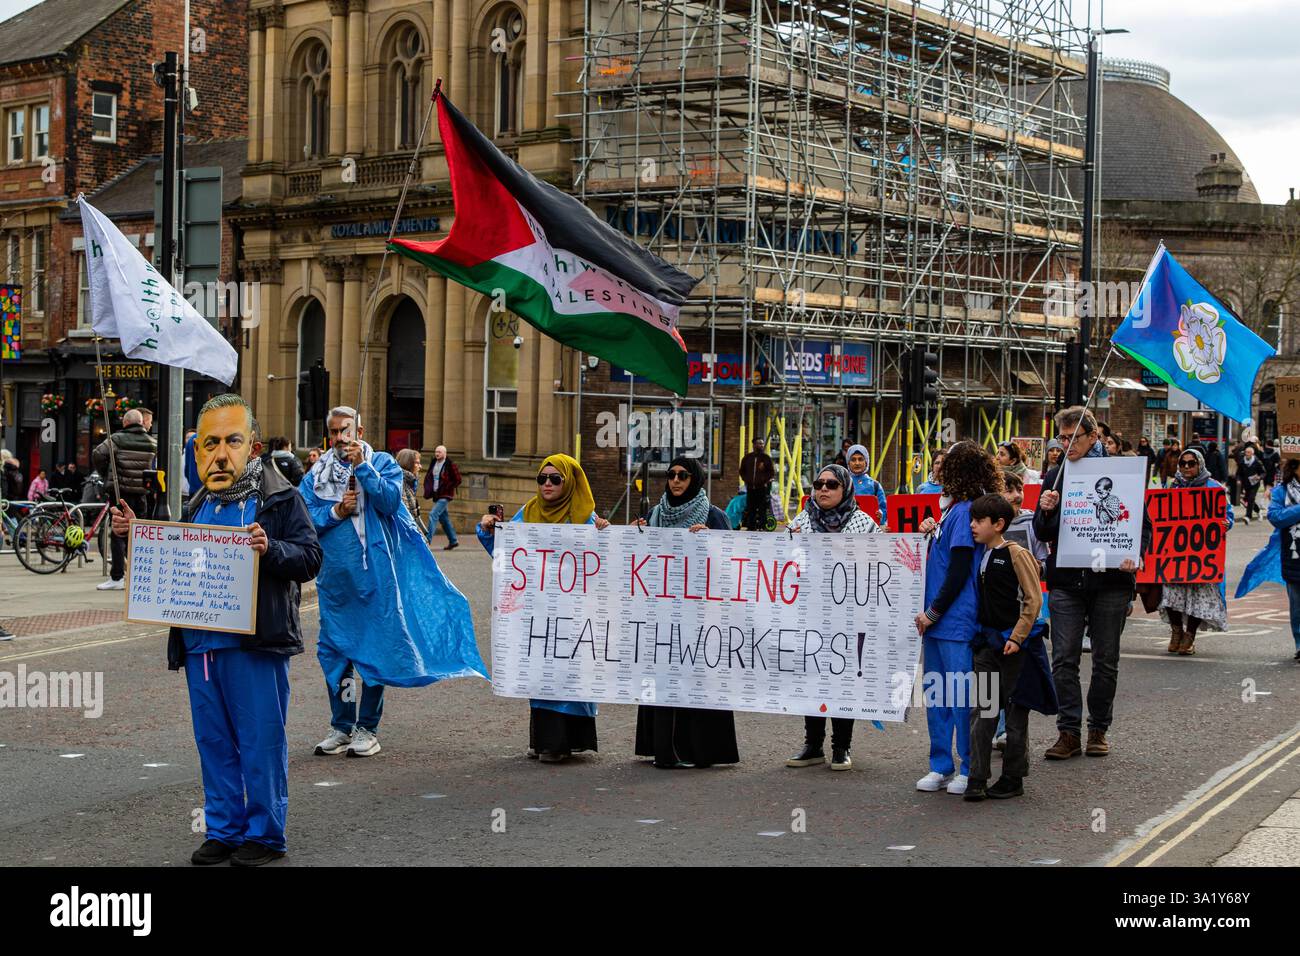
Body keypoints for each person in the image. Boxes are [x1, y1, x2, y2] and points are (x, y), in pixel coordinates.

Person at [112, 394, 322, 866]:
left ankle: (266, 835)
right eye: (209, 444)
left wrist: (271, 550)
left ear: (254, 446)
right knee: (213, 741)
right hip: (200, 643)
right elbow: (177, 563)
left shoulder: (280, 497)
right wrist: (137, 535)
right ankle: (224, 829)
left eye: (231, 441)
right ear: (197, 450)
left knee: (260, 740)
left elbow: (310, 559)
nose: (220, 454)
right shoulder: (198, 502)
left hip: (254, 644)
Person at [301, 406, 485, 760]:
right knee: (336, 654)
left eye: (346, 431)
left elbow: (388, 501)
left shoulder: (381, 463)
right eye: (335, 432)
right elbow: (305, 518)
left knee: (374, 650)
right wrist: (336, 511)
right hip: (335, 583)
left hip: (377, 580)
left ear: (360, 430)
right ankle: (340, 726)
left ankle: (366, 728)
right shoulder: (316, 475)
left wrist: (363, 470)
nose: (340, 438)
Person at [1033, 406, 1151, 760]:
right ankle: (1068, 732)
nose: (1067, 445)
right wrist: (1047, 509)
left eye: (1074, 438)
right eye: (1062, 438)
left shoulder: (1123, 473)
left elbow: (1141, 526)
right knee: (1064, 658)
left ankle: (1098, 728)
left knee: (1105, 659)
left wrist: (1136, 555)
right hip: (1068, 580)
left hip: (1112, 580)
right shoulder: (1056, 475)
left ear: (1094, 436)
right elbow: (1041, 532)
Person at [477, 455, 610, 762]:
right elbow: (508, 556)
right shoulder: (530, 512)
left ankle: (567, 742)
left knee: (570, 673)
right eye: (542, 478)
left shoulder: (584, 517)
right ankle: (546, 742)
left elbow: (604, 561)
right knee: (541, 673)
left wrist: (607, 534)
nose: (547, 484)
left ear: (569, 482)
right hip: (538, 613)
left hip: (574, 613)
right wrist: (490, 530)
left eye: (555, 479)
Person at [633, 456, 739, 769]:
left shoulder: (713, 515)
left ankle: (700, 749)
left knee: (696, 676)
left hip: (699, 614)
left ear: (695, 479)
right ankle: (663, 748)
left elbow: (732, 561)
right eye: (671, 475)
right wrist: (633, 536)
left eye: (683, 475)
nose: (676, 481)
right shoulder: (654, 514)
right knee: (664, 675)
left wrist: (712, 541)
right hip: (661, 612)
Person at [783, 463, 881, 771]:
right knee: (812, 675)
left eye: (831, 484)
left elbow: (881, 567)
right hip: (809, 615)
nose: (823, 489)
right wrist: (789, 544)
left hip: (850, 617)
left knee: (843, 677)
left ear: (845, 489)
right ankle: (813, 745)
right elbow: (780, 565)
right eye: (818, 483)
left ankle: (841, 746)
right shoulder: (800, 522)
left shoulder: (864, 525)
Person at [914, 440, 999, 795]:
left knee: (962, 697)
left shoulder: (965, 512)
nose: (938, 468)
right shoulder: (952, 510)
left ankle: (967, 765)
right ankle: (940, 765)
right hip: (937, 622)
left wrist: (933, 612)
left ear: (959, 470)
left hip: (954, 619)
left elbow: (960, 570)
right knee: (936, 695)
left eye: (946, 463)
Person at [965, 494, 1045, 801]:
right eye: (972, 519)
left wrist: (1017, 636)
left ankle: (1013, 776)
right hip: (986, 645)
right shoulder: (981, 554)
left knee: (1014, 713)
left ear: (998, 524)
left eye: (979, 520)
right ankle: (977, 777)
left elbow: (1033, 598)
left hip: (1013, 647)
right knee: (983, 711)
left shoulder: (1015, 553)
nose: (973, 525)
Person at [1160, 448, 1234, 656]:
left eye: (1191, 463)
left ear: (1199, 464)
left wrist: (1224, 523)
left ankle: (1190, 635)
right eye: (1182, 463)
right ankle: (1176, 632)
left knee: (1197, 596)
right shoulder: (1173, 486)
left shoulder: (1214, 488)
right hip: (1174, 552)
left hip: (1201, 553)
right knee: (1171, 594)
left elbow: (1227, 516)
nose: (1186, 467)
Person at [1238, 457, 1300, 661]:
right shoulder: (1282, 491)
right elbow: (1276, 517)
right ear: (1295, 468)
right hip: (1294, 555)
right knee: (1297, 605)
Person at [92, 408, 157, 592]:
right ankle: (139, 575)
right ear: (141, 423)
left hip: (120, 493)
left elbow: (98, 454)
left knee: (118, 533)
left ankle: (117, 576)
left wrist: (107, 475)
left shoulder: (117, 439)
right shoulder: (152, 442)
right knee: (137, 534)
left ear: (125, 423)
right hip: (141, 494)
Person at [422, 444, 461, 550]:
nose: (437, 454)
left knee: (433, 514)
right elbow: (429, 476)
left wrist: (448, 487)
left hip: (445, 495)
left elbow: (457, 479)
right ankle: (453, 541)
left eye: (439, 452)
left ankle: (427, 540)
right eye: (436, 452)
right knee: (444, 519)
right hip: (437, 495)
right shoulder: (434, 462)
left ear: (445, 453)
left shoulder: (450, 464)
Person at [844, 443, 888, 523]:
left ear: (866, 461)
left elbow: (884, 510)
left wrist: (881, 515)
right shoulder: (842, 484)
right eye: (853, 459)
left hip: (870, 530)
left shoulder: (875, 485)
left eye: (860, 459)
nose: (857, 463)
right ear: (848, 462)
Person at [739, 438, 776, 531]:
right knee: (751, 508)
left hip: (762, 488)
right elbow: (742, 471)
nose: (761, 445)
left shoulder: (766, 458)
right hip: (751, 488)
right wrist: (746, 480)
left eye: (762, 444)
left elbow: (771, 472)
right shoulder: (747, 458)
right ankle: (751, 526)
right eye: (759, 443)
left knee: (762, 508)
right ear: (754, 445)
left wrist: (764, 480)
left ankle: (762, 526)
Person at [395, 448, 426, 536]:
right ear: (407, 464)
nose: (420, 466)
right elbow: (405, 515)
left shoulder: (409, 481)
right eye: (417, 463)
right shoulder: (400, 482)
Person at [1238, 443, 1266, 524]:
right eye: (1246, 452)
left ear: (1252, 453)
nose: (1246, 454)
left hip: (1255, 483)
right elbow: (1239, 473)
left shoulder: (1257, 462)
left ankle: (1248, 516)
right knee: (1248, 499)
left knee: (1251, 498)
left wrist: (1259, 477)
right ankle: (1258, 511)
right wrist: (1239, 479)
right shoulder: (1242, 461)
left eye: (1248, 452)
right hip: (1246, 484)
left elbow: (1263, 472)